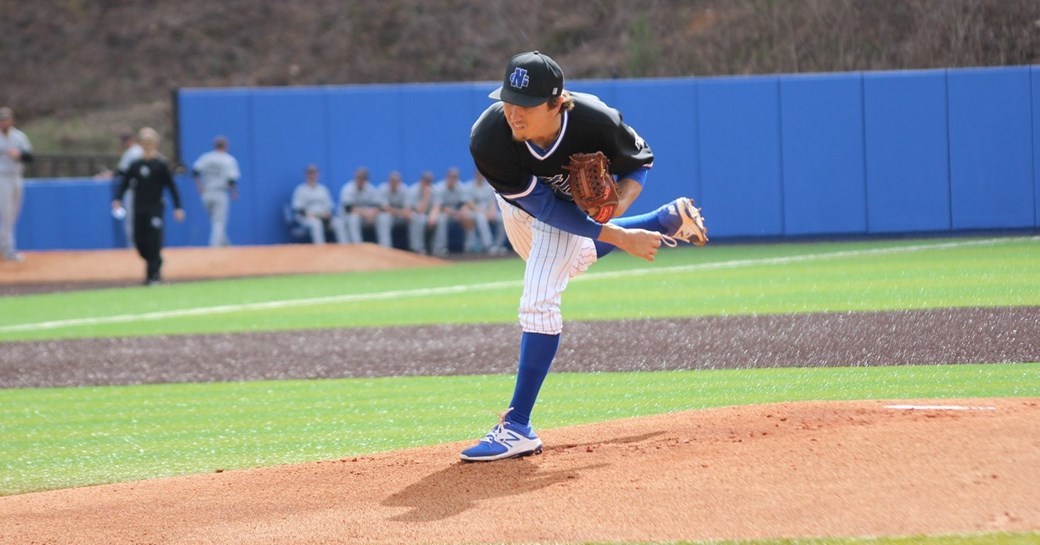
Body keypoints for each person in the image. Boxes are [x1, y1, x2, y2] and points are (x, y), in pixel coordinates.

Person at [460, 51, 708, 462]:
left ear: (557, 103)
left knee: (539, 298)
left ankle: (517, 425)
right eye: (507, 100)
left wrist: (619, 207)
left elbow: (638, 163)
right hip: (524, 206)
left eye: (524, 104)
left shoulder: (596, 120)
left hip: (568, 213)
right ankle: (667, 219)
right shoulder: (488, 138)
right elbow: (545, 208)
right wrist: (619, 237)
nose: (512, 113)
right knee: (568, 264)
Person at [111, 127, 185, 285]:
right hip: (139, 207)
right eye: (144, 142)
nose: (147, 144)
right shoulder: (136, 164)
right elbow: (125, 182)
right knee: (139, 240)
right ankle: (155, 262)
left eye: (150, 141)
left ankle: (153, 275)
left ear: (156, 143)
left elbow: (171, 187)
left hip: (155, 207)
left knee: (154, 240)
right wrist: (118, 199)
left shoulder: (161, 164)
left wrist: (178, 207)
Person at [191, 136, 241, 247]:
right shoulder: (228, 159)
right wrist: (234, 192)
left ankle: (225, 246)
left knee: (215, 222)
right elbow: (232, 180)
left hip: (206, 192)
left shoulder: (206, 157)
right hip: (220, 193)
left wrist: (200, 186)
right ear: (225, 146)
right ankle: (215, 246)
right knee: (219, 222)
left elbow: (195, 171)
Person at [0, 107, 33, 262]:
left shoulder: (18, 136)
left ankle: (5, 245)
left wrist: (19, 155)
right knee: (5, 213)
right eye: (2, 119)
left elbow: (30, 157)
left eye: (6, 119)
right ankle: (8, 249)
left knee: (13, 212)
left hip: (16, 176)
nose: (4, 122)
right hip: (1, 176)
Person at [333, 166, 391, 246]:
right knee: (354, 218)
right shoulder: (348, 188)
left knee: (383, 217)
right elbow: (348, 208)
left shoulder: (370, 188)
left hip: (365, 217)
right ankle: (358, 246)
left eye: (362, 178)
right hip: (346, 217)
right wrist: (366, 214)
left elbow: (378, 205)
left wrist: (372, 213)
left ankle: (385, 246)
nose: (360, 180)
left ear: (366, 179)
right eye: (358, 177)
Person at [430, 166, 478, 256]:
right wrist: (455, 213)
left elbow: (464, 204)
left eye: (455, 177)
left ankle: (470, 247)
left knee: (469, 216)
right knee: (441, 220)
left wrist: (463, 213)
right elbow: (440, 207)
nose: (453, 179)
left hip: (457, 214)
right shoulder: (439, 188)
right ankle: (440, 248)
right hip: (444, 214)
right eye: (451, 177)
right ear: (447, 177)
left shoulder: (461, 187)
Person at [291, 164, 339, 244]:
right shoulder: (300, 190)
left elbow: (329, 206)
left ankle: (346, 249)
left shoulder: (323, 189)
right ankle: (320, 250)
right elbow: (298, 209)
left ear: (318, 174)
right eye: (310, 173)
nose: (312, 175)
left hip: (323, 217)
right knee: (316, 224)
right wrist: (308, 214)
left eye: (314, 173)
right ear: (306, 175)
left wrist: (327, 213)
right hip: (307, 218)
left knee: (338, 223)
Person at [468, 169, 507, 255]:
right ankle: (489, 245)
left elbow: (492, 202)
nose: (479, 176)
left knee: (502, 218)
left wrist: (492, 212)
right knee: (481, 218)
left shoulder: (488, 186)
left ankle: (498, 245)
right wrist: (484, 212)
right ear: (475, 175)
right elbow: (470, 204)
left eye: (481, 174)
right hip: (475, 212)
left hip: (488, 211)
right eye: (477, 174)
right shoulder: (470, 186)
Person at [114, 133, 144, 248]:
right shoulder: (143, 151)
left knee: (131, 221)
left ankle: (133, 247)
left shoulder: (131, 153)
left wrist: (118, 197)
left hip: (133, 190)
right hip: (147, 192)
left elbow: (122, 172)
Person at [378, 170, 417, 251]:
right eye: (392, 181)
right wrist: (401, 212)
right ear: (388, 181)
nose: (394, 183)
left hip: (401, 217)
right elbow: (384, 208)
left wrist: (403, 213)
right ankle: (385, 247)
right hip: (390, 216)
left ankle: (416, 248)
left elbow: (408, 208)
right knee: (383, 218)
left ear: (400, 182)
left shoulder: (404, 189)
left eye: (396, 181)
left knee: (415, 217)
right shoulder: (383, 189)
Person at [406, 171, 437, 254]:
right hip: (414, 215)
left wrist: (433, 217)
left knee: (441, 219)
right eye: (425, 181)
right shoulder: (414, 190)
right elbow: (419, 210)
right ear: (421, 180)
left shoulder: (434, 189)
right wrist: (426, 197)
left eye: (429, 181)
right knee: (420, 219)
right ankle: (417, 248)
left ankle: (438, 249)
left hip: (429, 215)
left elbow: (436, 206)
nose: (427, 183)